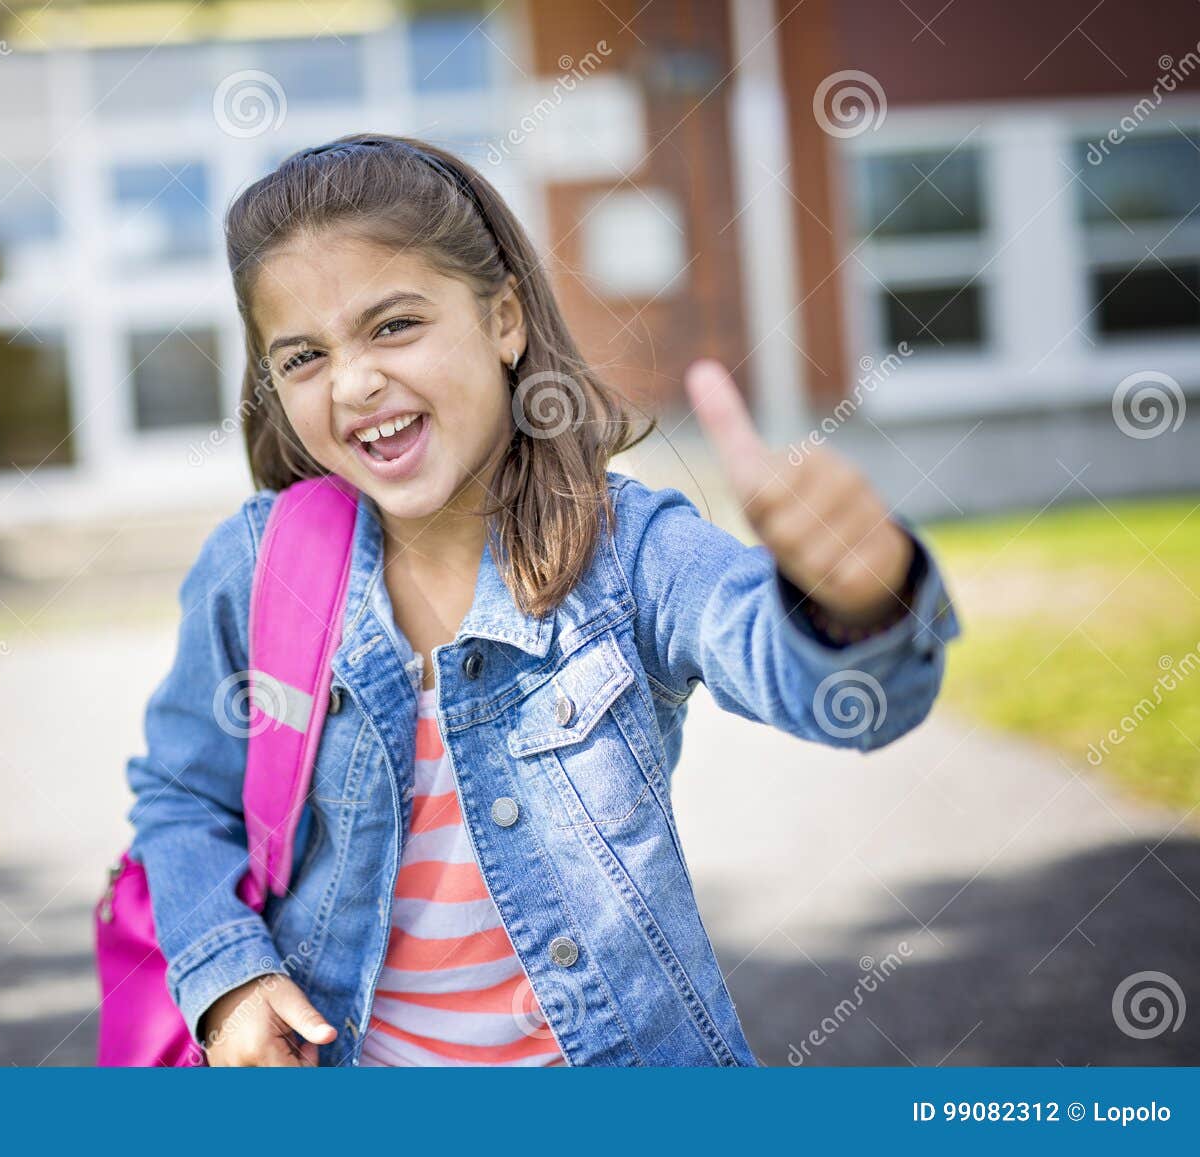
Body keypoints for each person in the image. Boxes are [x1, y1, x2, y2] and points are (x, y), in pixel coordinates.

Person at [122, 132, 961, 1067]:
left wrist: (854, 600)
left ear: (505, 319)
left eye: (394, 325)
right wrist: (228, 980)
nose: (355, 382)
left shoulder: (627, 551)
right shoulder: (255, 566)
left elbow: (829, 689)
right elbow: (181, 796)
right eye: (303, 357)